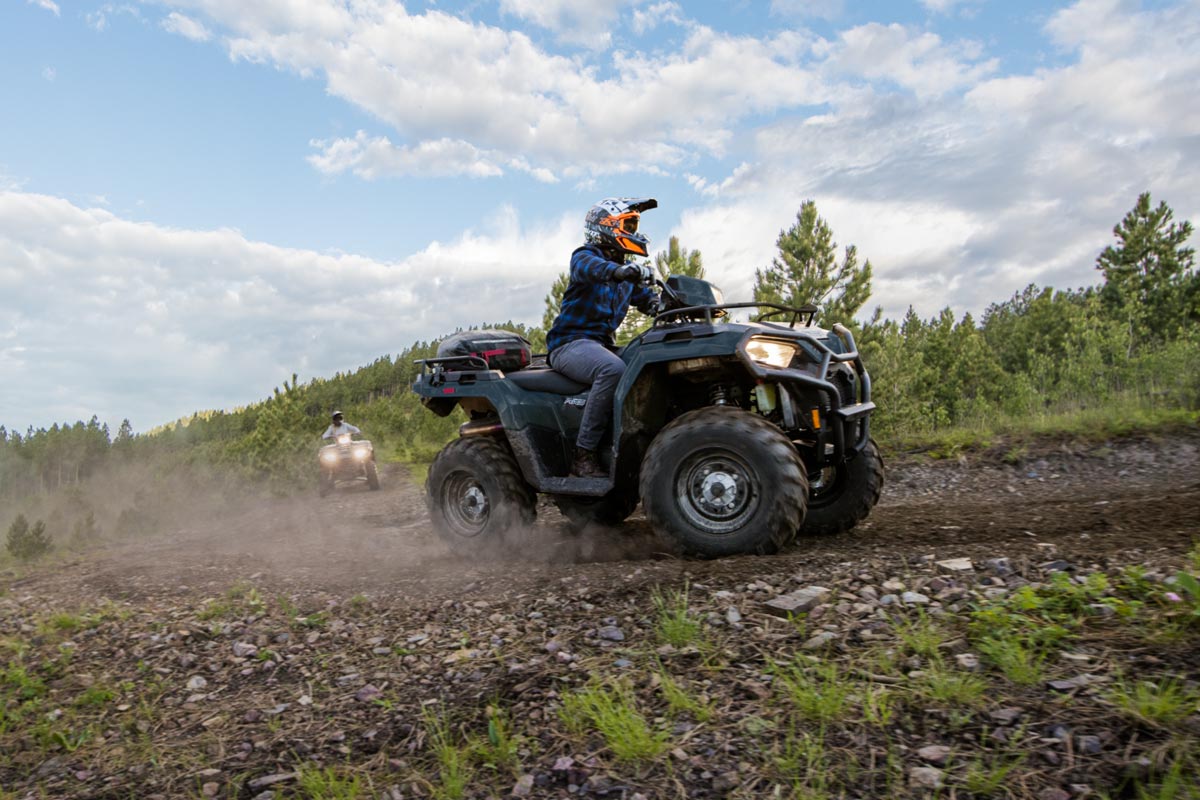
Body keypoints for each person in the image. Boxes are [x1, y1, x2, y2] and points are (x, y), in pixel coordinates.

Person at [546, 197, 663, 478]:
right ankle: (583, 454)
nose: (634, 231)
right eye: (629, 224)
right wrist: (622, 271)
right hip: (569, 344)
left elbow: (649, 301)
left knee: (648, 363)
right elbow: (593, 269)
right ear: (607, 228)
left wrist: (669, 304)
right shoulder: (585, 257)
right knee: (612, 369)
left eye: (634, 225)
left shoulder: (626, 276)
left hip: (601, 345)